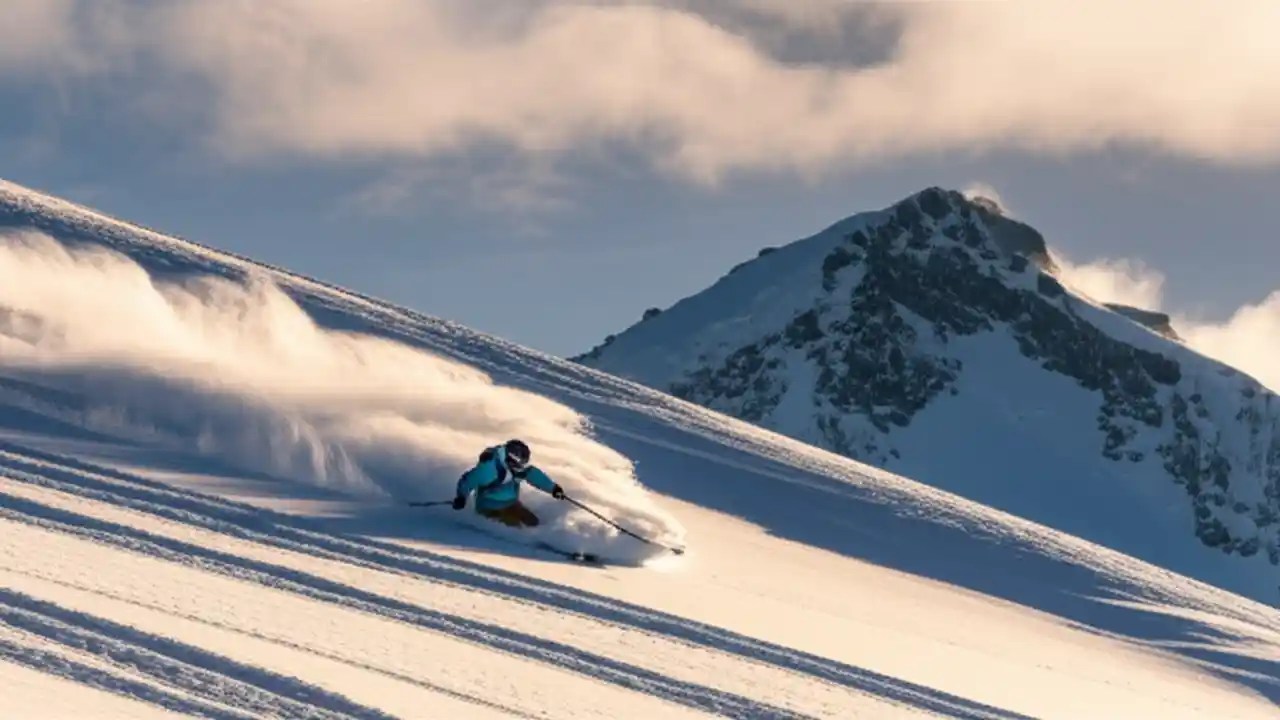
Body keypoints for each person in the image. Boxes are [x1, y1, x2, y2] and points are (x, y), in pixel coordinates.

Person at [452, 439, 564, 527]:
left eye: (522, 465)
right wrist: (461, 497)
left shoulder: (516, 468)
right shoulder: (489, 470)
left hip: (511, 504)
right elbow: (468, 480)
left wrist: (553, 489)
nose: (520, 468)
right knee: (518, 527)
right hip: (490, 508)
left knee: (533, 523)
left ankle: (543, 541)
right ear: (509, 460)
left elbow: (532, 474)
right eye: (518, 465)